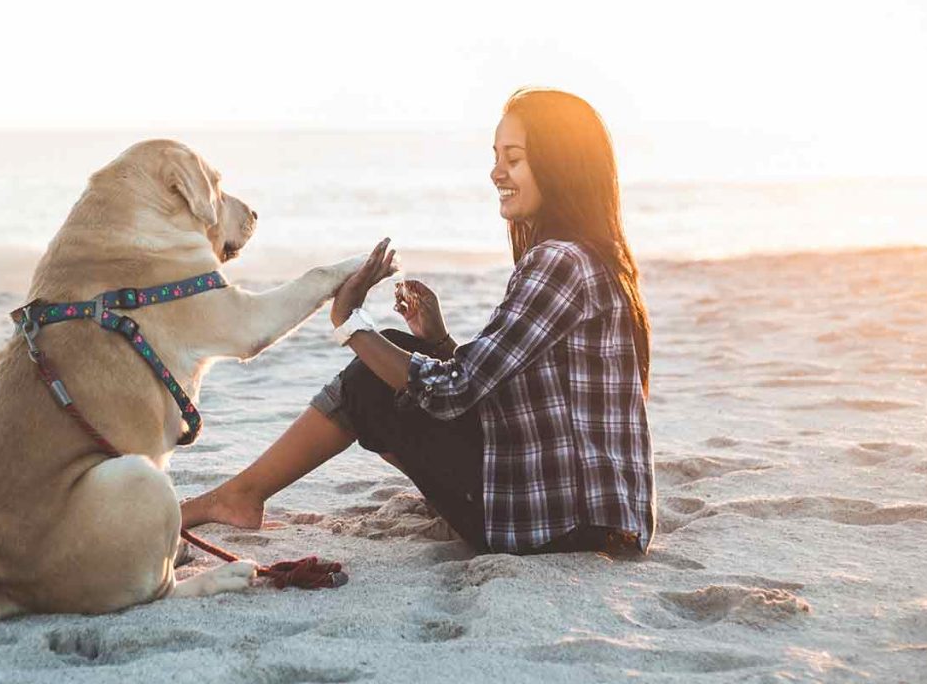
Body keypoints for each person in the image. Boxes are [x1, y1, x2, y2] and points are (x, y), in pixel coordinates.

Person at [180, 88, 655, 556]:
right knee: (411, 357)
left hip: (552, 522)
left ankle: (241, 495)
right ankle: (244, 493)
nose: (496, 172)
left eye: (514, 158)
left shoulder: (559, 262)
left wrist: (351, 324)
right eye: (495, 156)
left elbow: (458, 391)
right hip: (597, 517)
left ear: (562, 164)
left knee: (374, 377)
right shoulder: (592, 258)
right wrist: (440, 341)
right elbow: (518, 392)